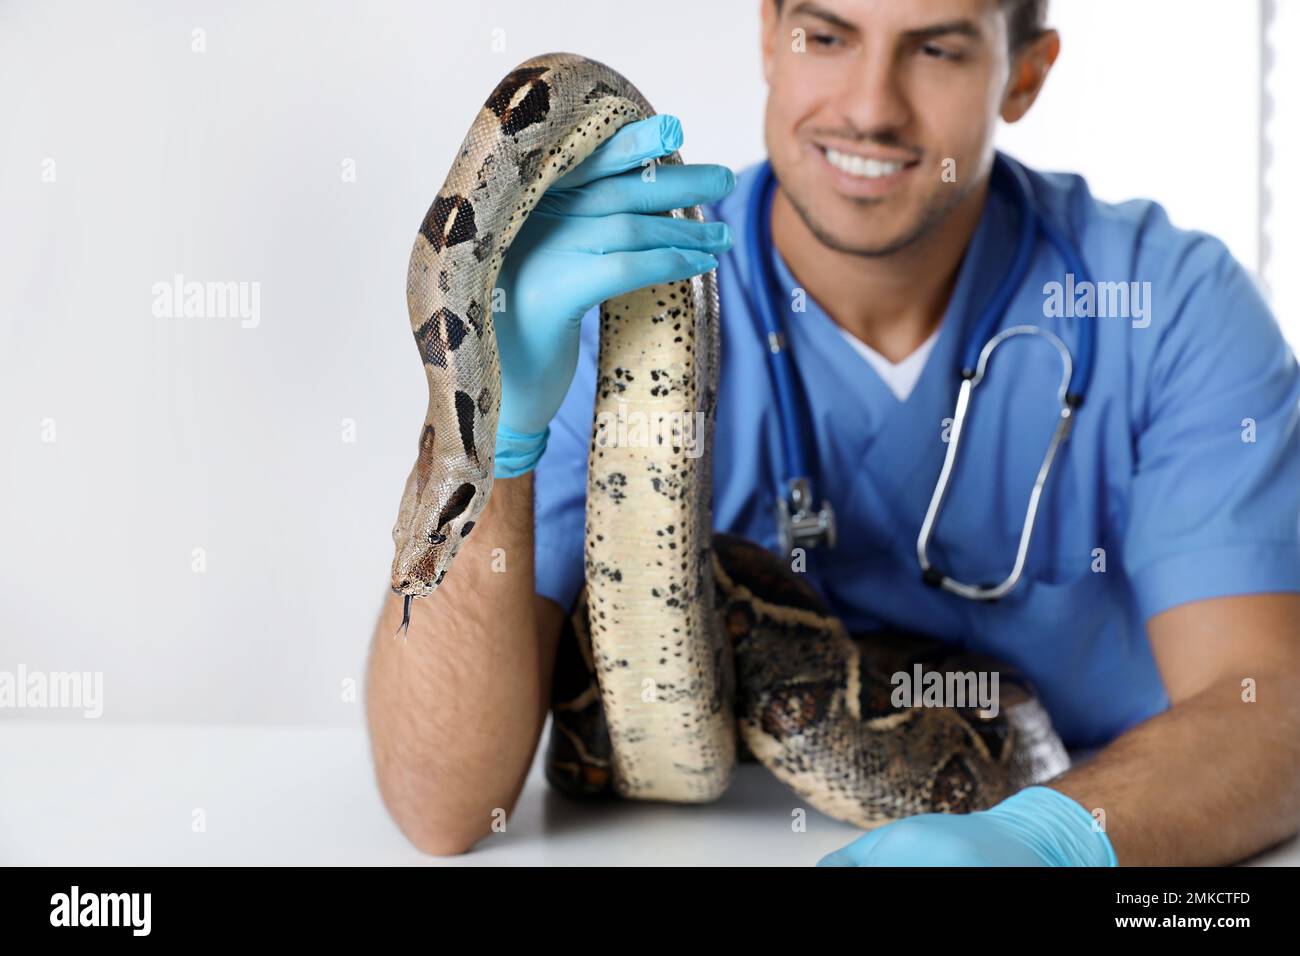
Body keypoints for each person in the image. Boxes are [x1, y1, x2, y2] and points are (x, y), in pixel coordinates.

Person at [366, 0, 1300, 865]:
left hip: (1133, 825)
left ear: (1025, 74)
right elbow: (442, 805)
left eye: (936, 47)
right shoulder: (617, 288)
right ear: (770, 32)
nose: (868, 107)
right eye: (828, 33)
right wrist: (498, 445)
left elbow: (1271, 709)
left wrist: (1052, 842)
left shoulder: (1168, 305)